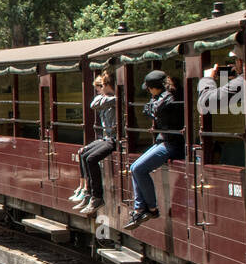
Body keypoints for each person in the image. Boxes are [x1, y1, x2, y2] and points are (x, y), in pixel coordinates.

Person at [125, 69, 185, 229]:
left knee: (138, 168)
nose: (149, 92)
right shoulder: (164, 97)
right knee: (134, 168)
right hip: (164, 141)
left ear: (154, 87)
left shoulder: (168, 99)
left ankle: (150, 208)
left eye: (149, 89)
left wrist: (152, 105)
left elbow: (153, 111)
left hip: (172, 143)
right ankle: (141, 208)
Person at [71, 73, 117, 215]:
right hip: (106, 137)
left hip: (114, 138)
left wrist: (105, 97)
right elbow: (94, 104)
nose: (99, 90)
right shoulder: (108, 98)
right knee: (83, 152)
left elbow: (99, 103)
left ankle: (97, 197)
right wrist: (104, 97)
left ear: (107, 85)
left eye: (101, 86)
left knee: (91, 158)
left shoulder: (115, 99)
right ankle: (87, 192)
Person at [197, 50, 246, 116]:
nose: (234, 65)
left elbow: (206, 101)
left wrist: (207, 79)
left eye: (235, 60)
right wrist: (239, 75)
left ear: (240, 62)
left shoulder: (243, 82)